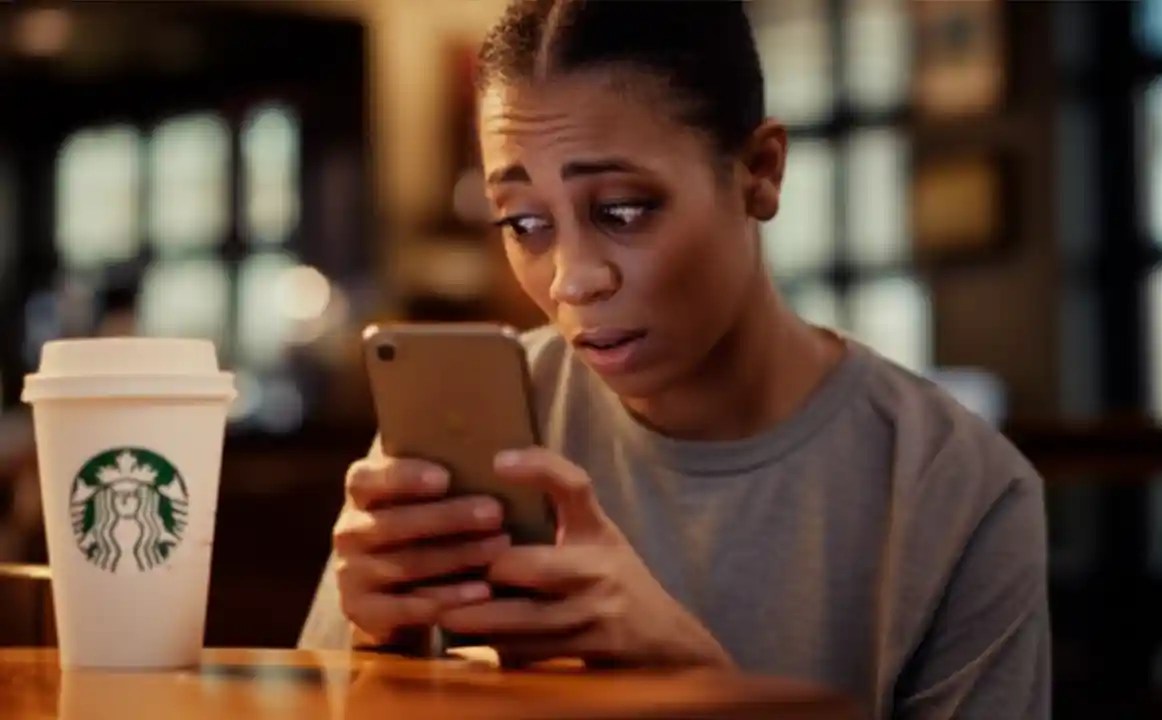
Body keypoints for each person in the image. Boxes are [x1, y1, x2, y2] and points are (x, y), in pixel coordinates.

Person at [300, 1, 1050, 717]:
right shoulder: (478, 422)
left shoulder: (959, 488)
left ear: (760, 171)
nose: (570, 279)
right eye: (525, 222)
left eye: (622, 211)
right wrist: (385, 651)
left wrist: (694, 684)